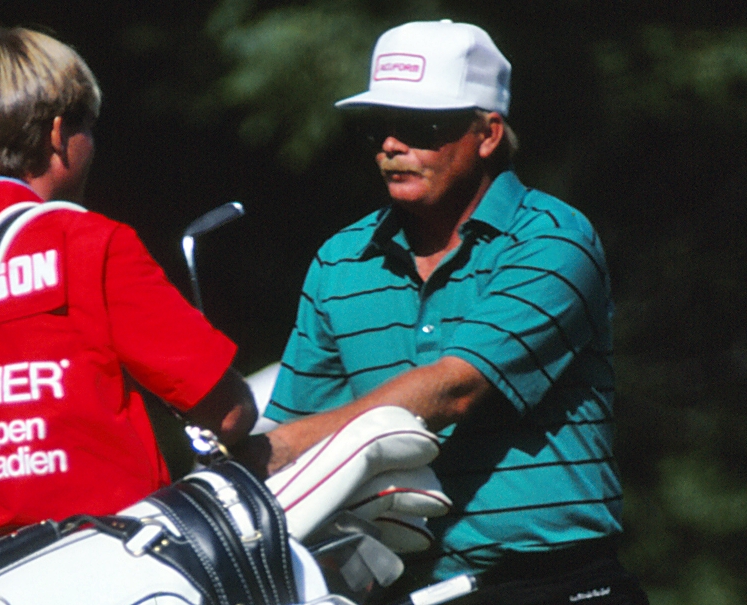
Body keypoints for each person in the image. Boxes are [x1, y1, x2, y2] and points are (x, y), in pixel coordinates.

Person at [239, 20, 649, 604]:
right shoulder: (340, 261)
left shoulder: (554, 239)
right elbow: (293, 430)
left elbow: (453, 388)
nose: (392, 144)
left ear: (487, 133)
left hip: (556, 588)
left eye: (422, 126)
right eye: (381, 125)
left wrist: (265, 452)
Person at [0, 26, 256, 566]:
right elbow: (229, 413)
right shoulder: (88, 244)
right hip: (105, 572)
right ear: (58, 134)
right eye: (89, 127)